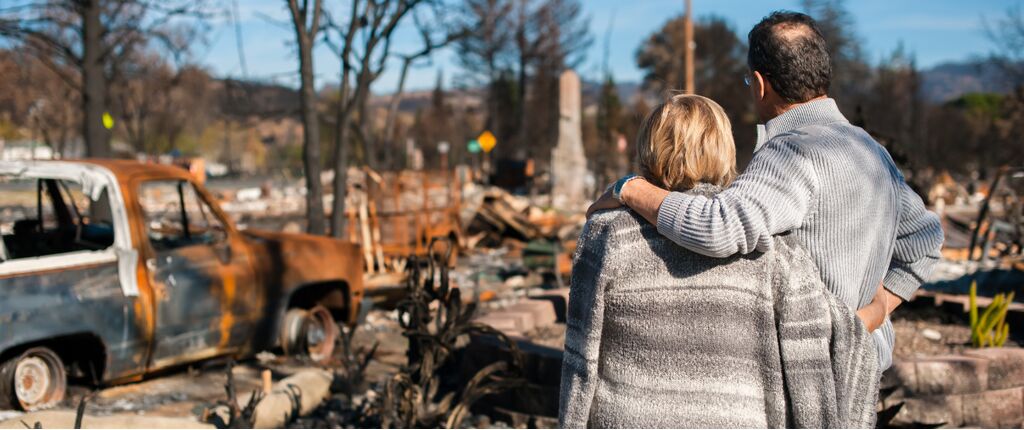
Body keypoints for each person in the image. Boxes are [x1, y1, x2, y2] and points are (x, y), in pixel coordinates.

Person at [586, 11, 944, 371]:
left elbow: (717, 227)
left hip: (813, 374)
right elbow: (925, 240)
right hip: (865, 368)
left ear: (759, 84)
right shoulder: (871, 151)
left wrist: (629, 188)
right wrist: (878, 308)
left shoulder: (792, 151)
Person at [560, 94, 879, 429]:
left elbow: (581, 357)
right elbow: (812, 361)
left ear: (648, 149)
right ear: (725, 150)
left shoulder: (606, 235)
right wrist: (880, 308)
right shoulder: (772, 250)